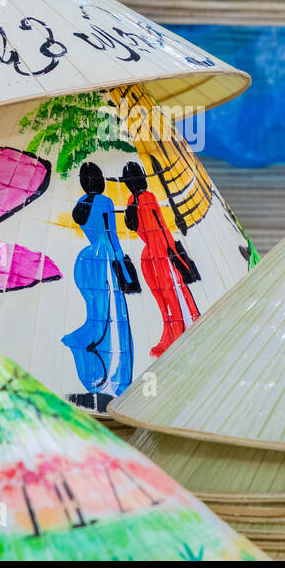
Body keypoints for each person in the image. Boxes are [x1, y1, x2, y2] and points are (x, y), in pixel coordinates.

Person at [62, 162, 139, 411]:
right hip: (106, 259)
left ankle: (96, 373)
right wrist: (123, 268)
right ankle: (116, 378)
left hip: (88, 261)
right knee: (115, 317)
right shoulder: (105, 202)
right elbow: (112, 236)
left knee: (97, 314)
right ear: (99, 180)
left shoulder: (80, 205)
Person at [122, 160, 200, 358]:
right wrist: (174, 252)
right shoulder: (148, 197)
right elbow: (161, 225)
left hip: (148, 256)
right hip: (162, 251)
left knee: (163, 298)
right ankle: (184, 328)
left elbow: (135, 226)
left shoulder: (131, 202)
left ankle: (172, 331)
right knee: (175, 291)